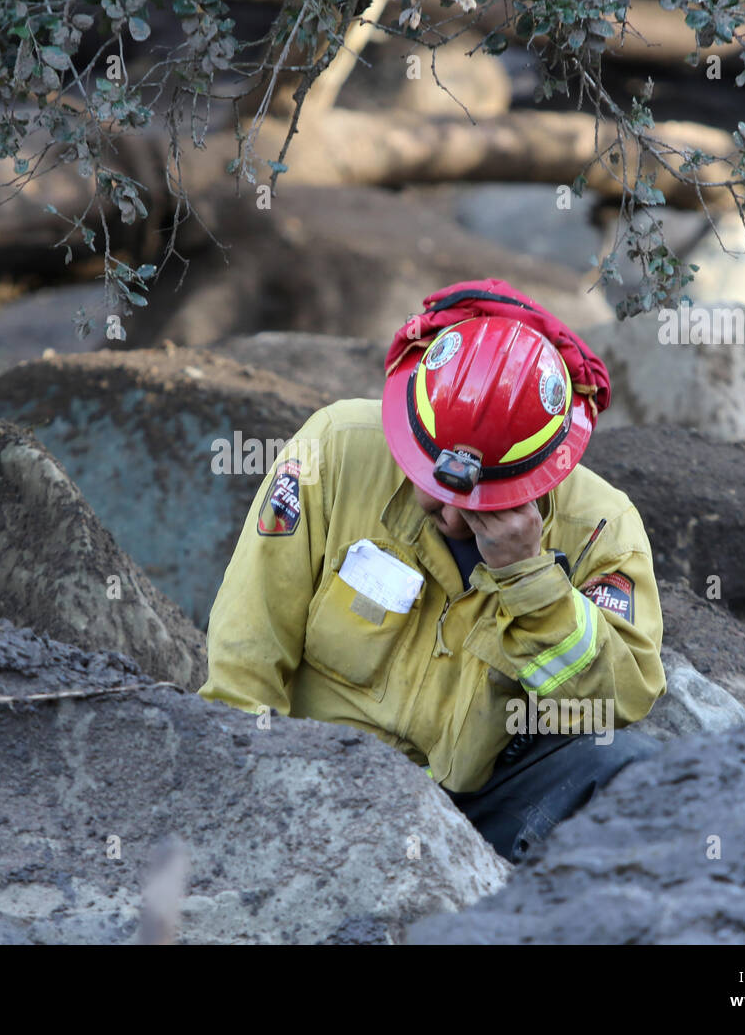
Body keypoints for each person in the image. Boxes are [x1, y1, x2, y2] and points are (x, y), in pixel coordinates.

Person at [198, 279, 666, 861]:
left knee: (631, 772)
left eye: (477, 499)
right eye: (432, 482)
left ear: (538, 479)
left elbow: (619, 701)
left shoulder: (601, 529)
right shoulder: (334, 451)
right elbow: (247, 651)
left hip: (472, 810)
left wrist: (532, 582)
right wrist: (253, 795)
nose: (447, 511)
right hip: (314, 785)